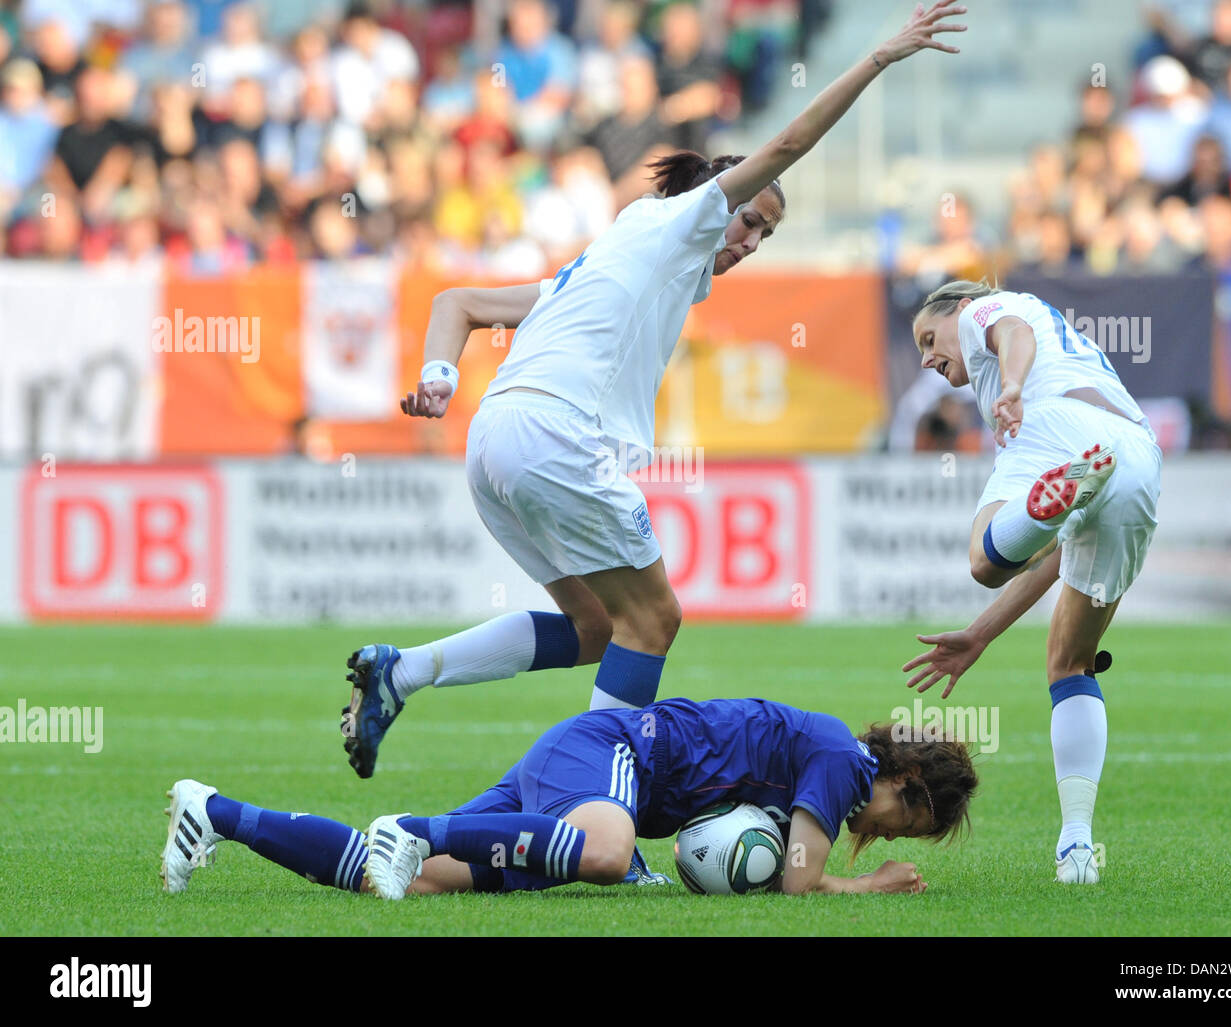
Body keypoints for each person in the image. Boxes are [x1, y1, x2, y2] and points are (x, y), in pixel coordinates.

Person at [340, 4, 968, 801]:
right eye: (751, 220)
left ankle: (406, 670)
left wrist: (439, 377)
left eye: (766, 236)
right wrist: (878, 59)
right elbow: (787, 144)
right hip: (556, 439)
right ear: (716, 197)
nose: (748, 242)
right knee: (655, 621)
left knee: (597, 628)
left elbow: (459, 301)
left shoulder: (611, 255)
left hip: (495, 441)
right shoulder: (680, 222)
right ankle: (592, 801)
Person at [163, 696, 977, 899]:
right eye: (911, 817)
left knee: (411, 880)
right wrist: (867, 884)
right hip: (612, 750)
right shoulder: (842, 758)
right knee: (607, 853)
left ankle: (217, 813)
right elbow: (798, 879)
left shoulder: (826, 762)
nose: (890, 830)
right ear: (902, 783)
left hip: (586, 766)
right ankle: (411, 824)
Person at [904, 280, 1162, 885]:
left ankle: (1043, 506)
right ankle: (1076, 850)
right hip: (1136, 459)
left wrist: (1015, 388)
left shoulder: (984, 311)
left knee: (984, 560)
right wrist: (981, 634)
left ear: (956, 309)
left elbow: (1010, 333)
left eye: (928, 338)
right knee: (1069, 664)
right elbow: (1057, 555)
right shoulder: (1065, 344)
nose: (926, 358)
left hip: (1054, 423)